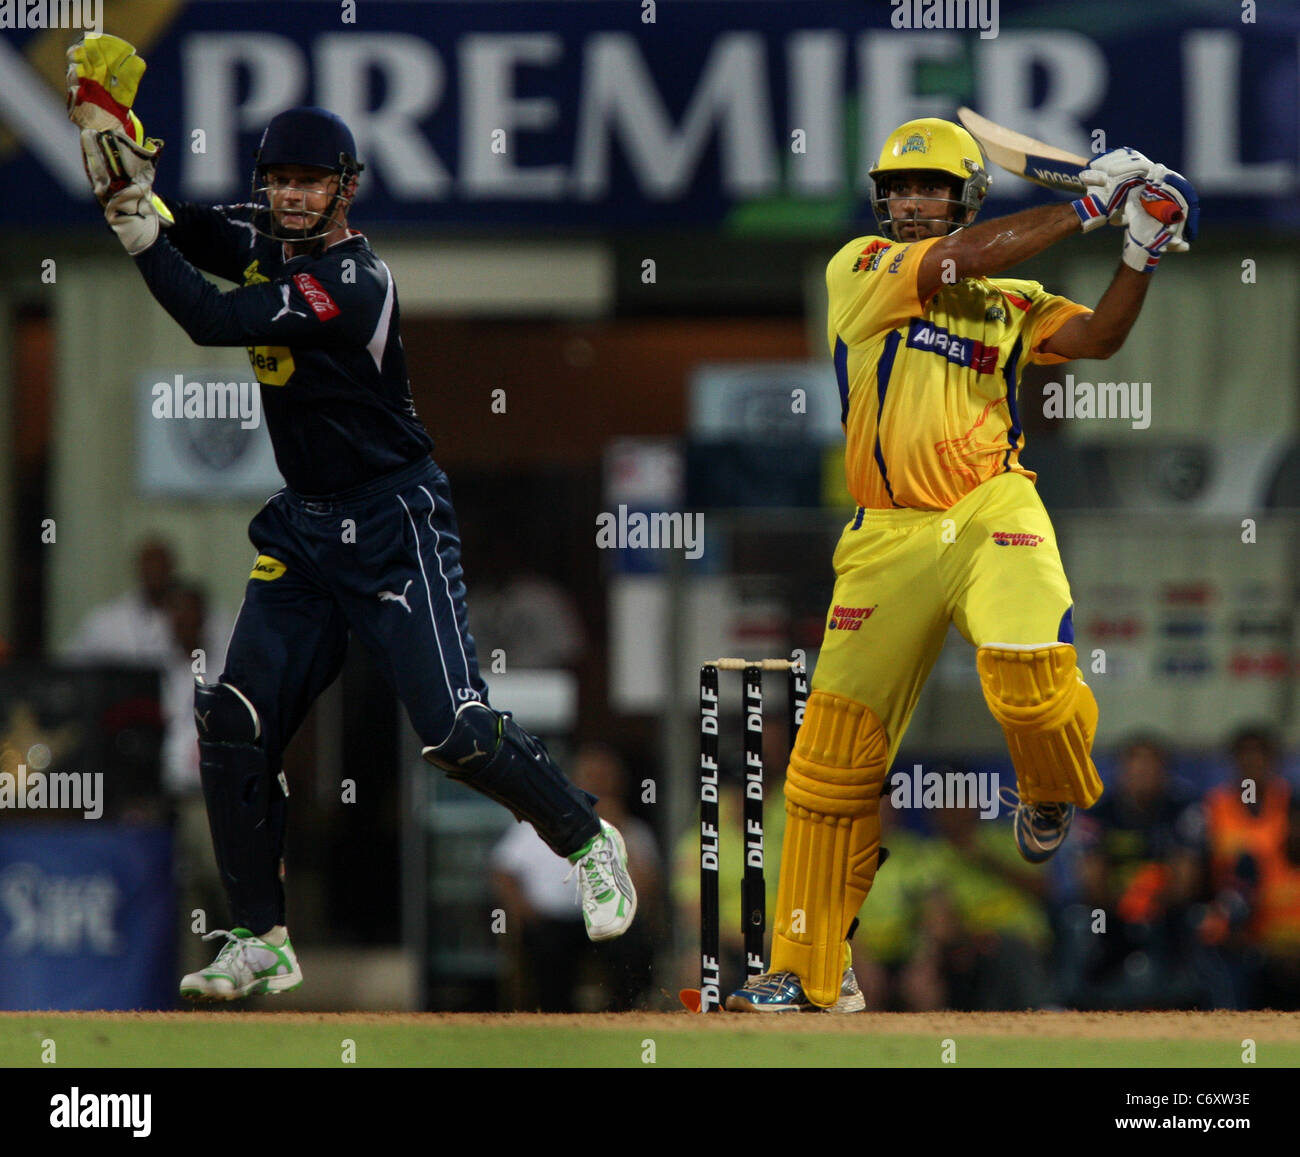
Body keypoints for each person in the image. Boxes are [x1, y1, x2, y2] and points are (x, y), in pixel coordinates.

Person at [67, 37, 635, 1001]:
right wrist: (134, 180)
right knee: (232, 720)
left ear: (347, 188)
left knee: (454, 726)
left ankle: (586, 836)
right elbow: (200, 230)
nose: (290, 198)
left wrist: (133, 227)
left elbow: (209, 313)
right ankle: (261, 935)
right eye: (278, 181)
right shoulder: (271, 235)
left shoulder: (352, 281)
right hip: (303, 526)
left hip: (393, 519)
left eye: (309, 182)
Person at [727, 117, 1198, 1011]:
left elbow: (1097, 338)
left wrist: (1141, 247)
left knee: (1026, 671)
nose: (910, 203)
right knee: (830, 763)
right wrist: (1092, 205)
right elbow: (954, 262)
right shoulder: (860, 269)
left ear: (964, 196)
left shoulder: (1012, 299)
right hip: (886, 532)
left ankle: (1051, 792)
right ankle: (808, 971)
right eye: (900, 190)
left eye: (931, 189)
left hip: (991, 507)